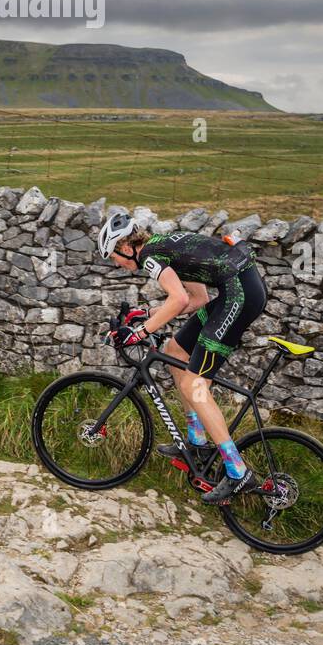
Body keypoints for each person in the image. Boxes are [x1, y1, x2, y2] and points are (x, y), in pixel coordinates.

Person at [97, 210, 271, 504]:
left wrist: (138, 333)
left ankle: (237, 471)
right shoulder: (163, 247)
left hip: (239, 296)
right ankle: (198, 441)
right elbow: (197, 299)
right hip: (238, 291)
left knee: (195, 385)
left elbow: (177, 300)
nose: (117, 264)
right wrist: (146, 315)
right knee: (174, 350)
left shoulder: (150, 255)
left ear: (127, 247)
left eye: (115, 257)